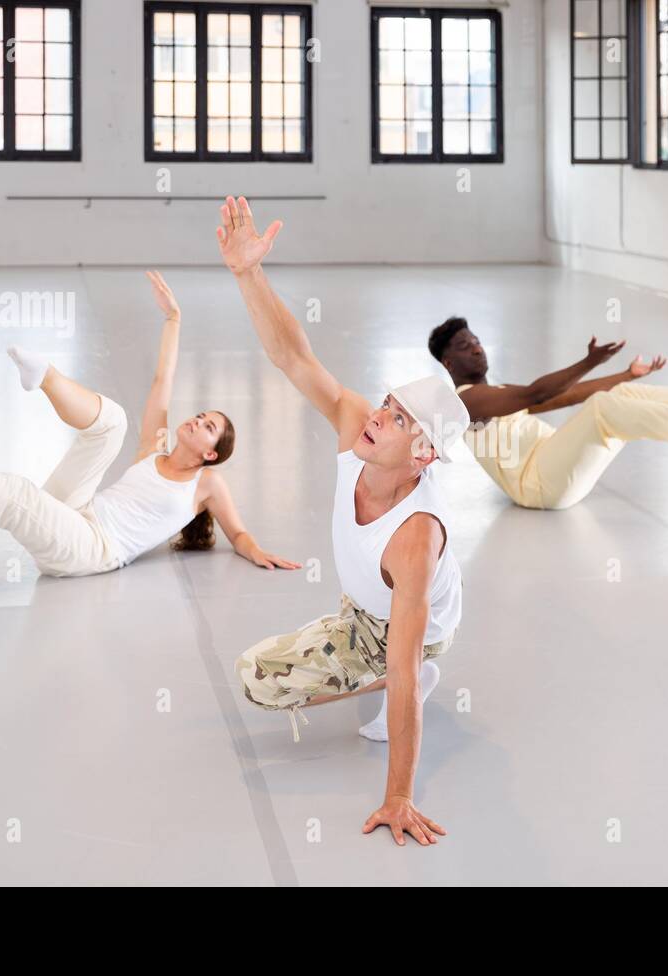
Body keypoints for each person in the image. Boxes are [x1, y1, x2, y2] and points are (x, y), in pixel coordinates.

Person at [218, 196, 466, 848]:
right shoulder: (357, 426)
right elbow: (294, 357)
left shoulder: (416, 540)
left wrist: (399, 797)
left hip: (401, 631)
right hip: (362, 597)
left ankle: (371, 671)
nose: (378, 415)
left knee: (259, 680)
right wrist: (249, 274)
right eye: (387, 403)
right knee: (260, 671)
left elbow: (407, 669)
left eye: (399, 418)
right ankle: (359, 652)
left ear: (422, 454)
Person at [0, 271, 299, 578]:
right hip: (78, 511)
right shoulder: (157, 446)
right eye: (202, 416)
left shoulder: (206, 485)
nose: (197, 420)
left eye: (208, 427)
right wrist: (173, 319)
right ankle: (46, 375)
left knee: (15, 493)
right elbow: (162, 380)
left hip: (93, 550)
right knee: (113, 423)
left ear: (210, 453)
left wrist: (258, 552)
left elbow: (238, 532)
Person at [428, 317, 668, 510]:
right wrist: (588, 361)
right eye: (463, 346)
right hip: (539, 486)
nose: (475, 347)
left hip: (554, 468)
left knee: (615, 394)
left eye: (475, 340)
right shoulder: (466, 402)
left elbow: (564, 397)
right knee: (603, 408)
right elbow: (539, 391)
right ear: (448, 363)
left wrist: (626, 376)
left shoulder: (496, 393)